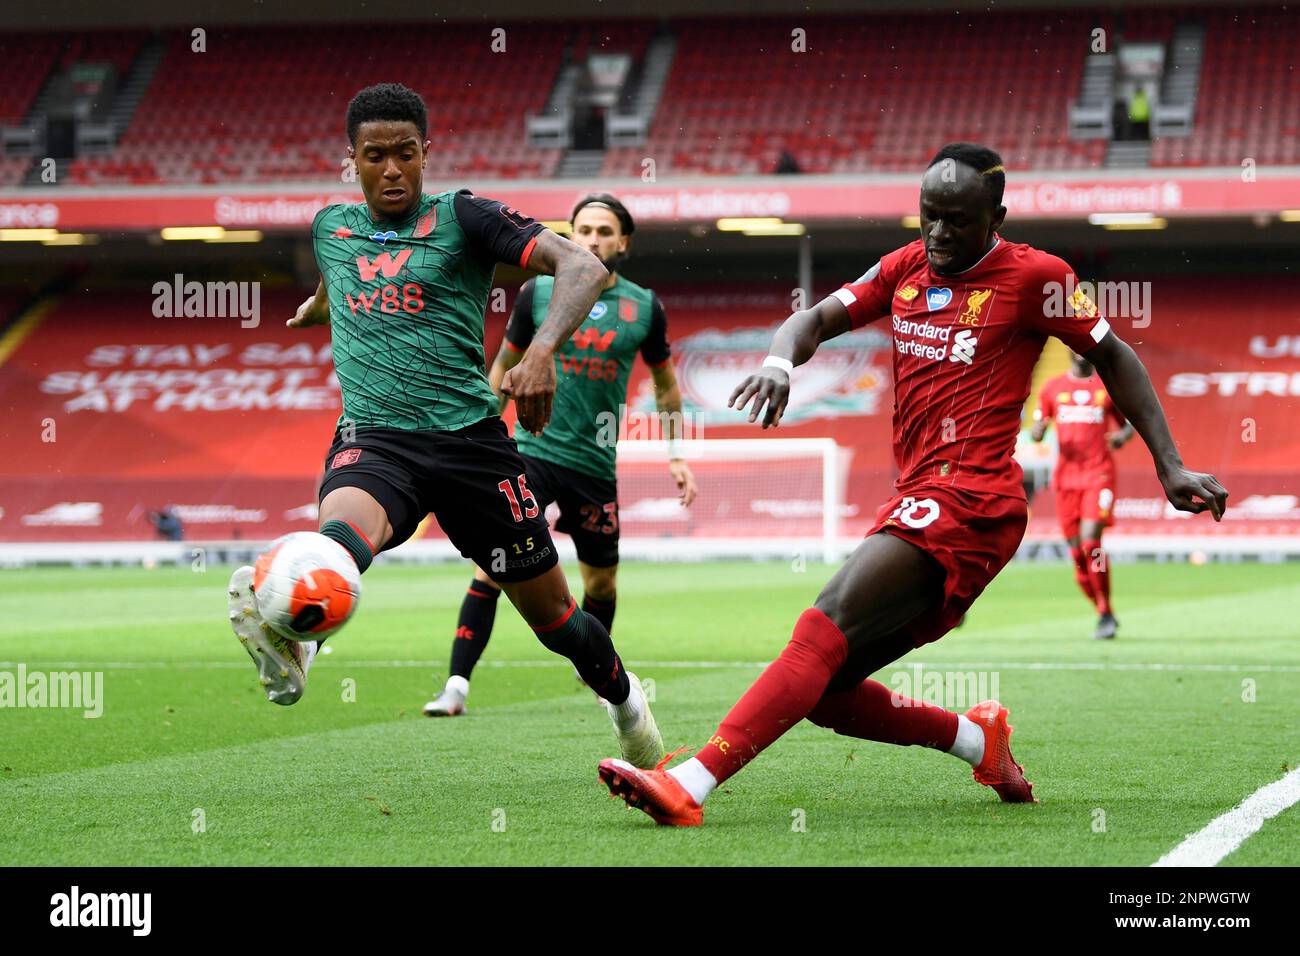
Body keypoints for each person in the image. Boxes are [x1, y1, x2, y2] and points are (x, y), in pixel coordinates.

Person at [595, 142, 1227, 825]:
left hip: (975, 499)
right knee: (830, 691)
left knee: (825, 620)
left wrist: (1168, 463)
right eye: (929, 215)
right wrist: (780, 362)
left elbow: (1113, 352)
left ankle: (691, 781)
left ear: (997, 217)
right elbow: (814, 319)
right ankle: (975, 739)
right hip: (921, 494)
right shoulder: (906, 267)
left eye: (957, 220)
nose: (939, 233)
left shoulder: (1035, 277)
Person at [226, 82, 663, 770]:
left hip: (472, 447)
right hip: (376, 437)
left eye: (405, 154)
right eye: (376, 157)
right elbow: (339, 278)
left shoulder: (464, 218)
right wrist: (322, 306)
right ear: (353, 161)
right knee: (336, 536)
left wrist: (541, 354)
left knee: (555, 621)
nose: (392, 169)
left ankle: (626, 700)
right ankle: (298, 628)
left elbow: (581, 267)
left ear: (427, 153)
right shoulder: (329, 228)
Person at [424, 193, 698, 716]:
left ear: (623, 242)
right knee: (494, 567)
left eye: (603, 231)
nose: (592, 239)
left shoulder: (645, 307)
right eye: (583, 229)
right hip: (530, 453)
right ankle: (456, 686)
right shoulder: (537, 293)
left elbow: (666, 389)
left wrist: (677, 455)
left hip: (594, 465)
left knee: (601, 582)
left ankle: (598, 676)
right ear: (569, 235)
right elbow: (502, 370)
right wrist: (467, 437)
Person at [1031, 349, 1134, 638]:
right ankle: (1104, 612)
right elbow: (1038, 428)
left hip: (1098, 474)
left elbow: (1128, 427)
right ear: (1067, 351)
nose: (1080, 352)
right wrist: (1038, 430)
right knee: (1077, 554)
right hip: (1065, 479)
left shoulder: (1106, 388)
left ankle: (1105, 612)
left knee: (1091, 543)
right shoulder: (1052, 389)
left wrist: (1121, 437)